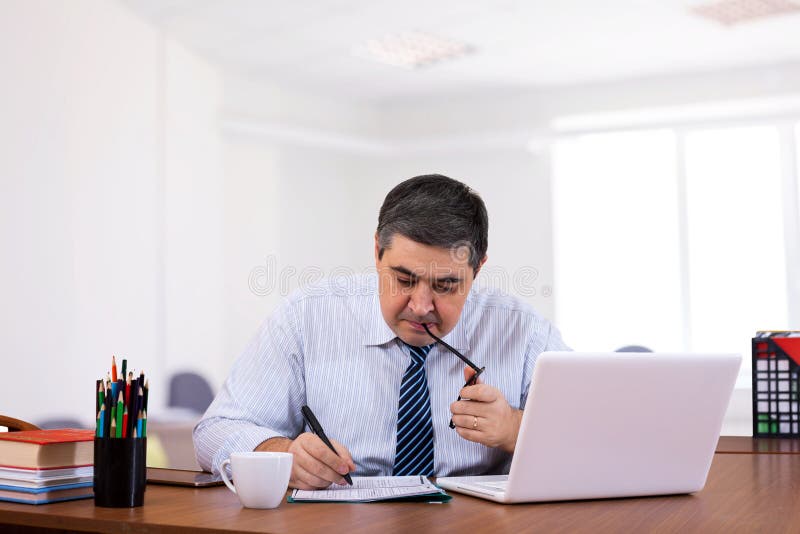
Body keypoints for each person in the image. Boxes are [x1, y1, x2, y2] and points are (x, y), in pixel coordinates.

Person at [194, 174, 569, 490]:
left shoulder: (522, 330)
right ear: (377, 252)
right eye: (404, 279)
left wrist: (516, 429)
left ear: (478, 269)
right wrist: (282, 455)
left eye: (445, 285)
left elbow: (594, 440)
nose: (420, 306)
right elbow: (215, 430)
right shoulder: (307, 316)